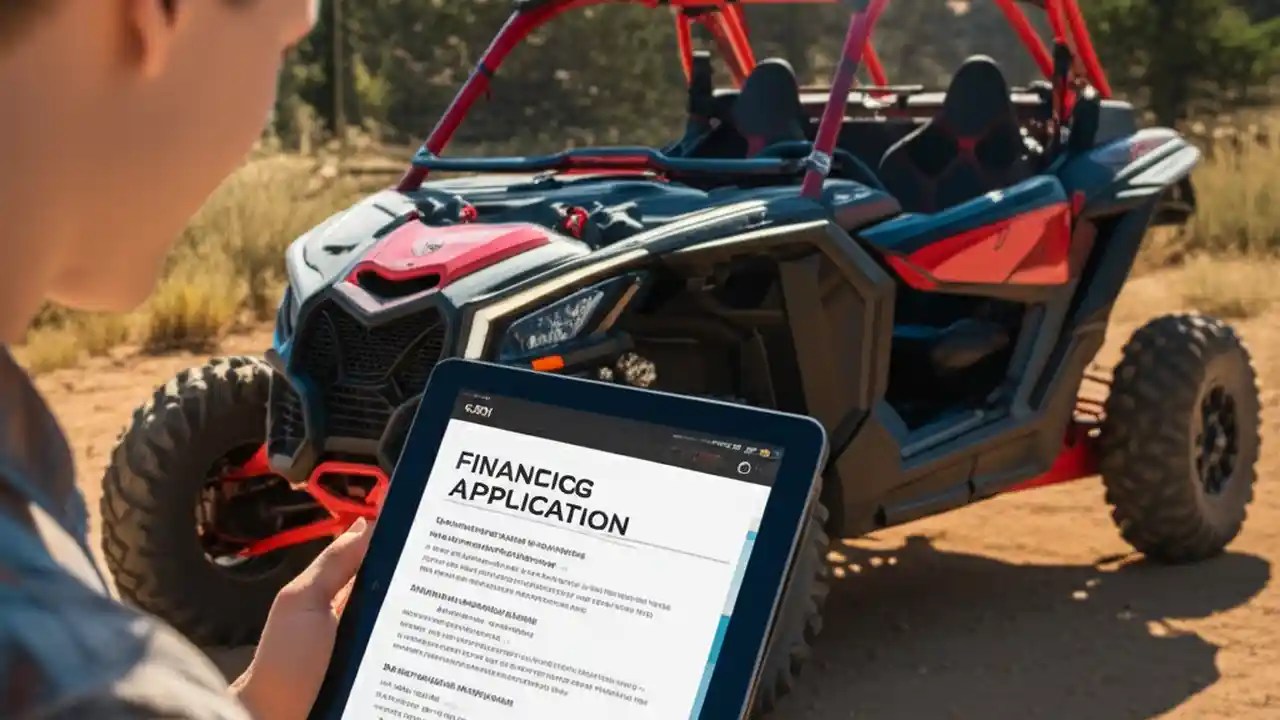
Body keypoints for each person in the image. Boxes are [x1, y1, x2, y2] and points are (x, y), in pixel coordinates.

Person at [0, 1, 375, 717]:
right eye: (290, 26)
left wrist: (254, 706)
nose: (300, 26)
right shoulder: (80, 684)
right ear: (153, 15)